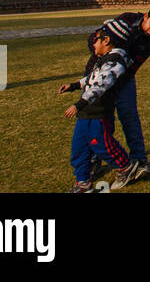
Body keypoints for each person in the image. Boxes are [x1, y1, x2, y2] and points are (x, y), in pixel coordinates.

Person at [83, 0, 150, 182]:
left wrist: (117, 80)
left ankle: (139, 160)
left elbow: (134, 66)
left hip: (123, 79)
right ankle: (93, 160)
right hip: (97, 77)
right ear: (146, 16)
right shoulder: (126, 20)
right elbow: (93, 42)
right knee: (97, 120)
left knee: (130, 118)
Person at [60, 18, 144, 192]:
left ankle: (126, 168)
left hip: (98, 114)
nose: (93, 43)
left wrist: (78, 104)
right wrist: (73, 86)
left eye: (96, 40)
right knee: (79, 148)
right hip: (86, 114)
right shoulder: (104, 58)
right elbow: (92, 78)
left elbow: (100, 85)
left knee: (101, 144)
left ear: (106, 40)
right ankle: (83, 183)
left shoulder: (116, 62)